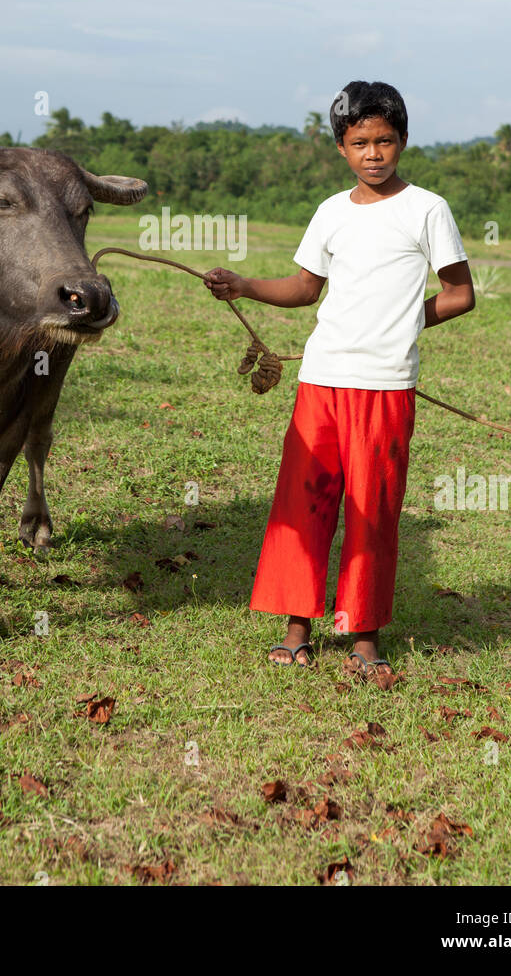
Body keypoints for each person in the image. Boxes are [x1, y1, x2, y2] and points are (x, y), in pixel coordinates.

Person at [203, 81, 475, 681]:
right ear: (341, 148)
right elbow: (304, 289)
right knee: (304, 504)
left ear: (402, 140)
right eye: (360, 143)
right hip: (321, 381)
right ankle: (296, 627)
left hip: (384, 386)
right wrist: (245, 286)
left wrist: (404, 321)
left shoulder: (427, 209)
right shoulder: (330, 212)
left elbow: (460, 294)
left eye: (384, 141)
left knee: (372, 509)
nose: (373, 153)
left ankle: (363, 636)